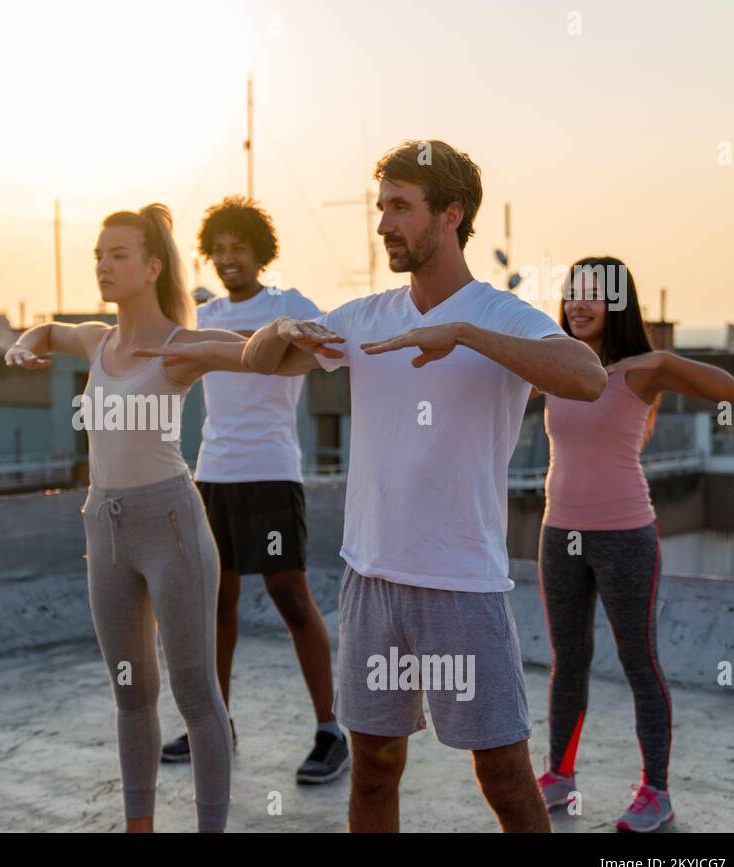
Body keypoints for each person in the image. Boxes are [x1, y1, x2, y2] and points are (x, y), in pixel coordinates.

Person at [238, 140, 608, 832]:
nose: (383, 226)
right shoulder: (364, 317)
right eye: (381, 209)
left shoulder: (499, 314)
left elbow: (586, 377)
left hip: (461, 586)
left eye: (400, 208)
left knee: (503, 775)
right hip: (370, 579)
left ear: (450, 215)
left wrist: (463, 334)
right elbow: (263, 363)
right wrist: (278, 328)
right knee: (374, 766)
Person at [5, 203, 250, 832]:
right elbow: (55, 332)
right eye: (99, 254)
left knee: (196, 695)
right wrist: (28, 339)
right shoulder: (99, 340)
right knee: (131, 695)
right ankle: (138, 824)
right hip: (105, 529)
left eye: (118, 255)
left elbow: (249, 352)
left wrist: (289, 336)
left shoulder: (177, 347)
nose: (104, 265)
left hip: (171, 527)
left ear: (151, 266)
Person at [535, 256, 734, 832]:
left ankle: (657, 791)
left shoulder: (642, 372)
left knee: (638, 661)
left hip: (626, 532)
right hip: (561, 532)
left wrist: (664, 360)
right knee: (568, 660)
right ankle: (560, 774)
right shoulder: (558, 366)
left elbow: (733, 389)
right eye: (572, 292)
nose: (579, 303)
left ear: (618, 304)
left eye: (594, 295)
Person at [157, 195, 348, 784]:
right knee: (217, 601)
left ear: (260, 253)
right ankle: (214, 722)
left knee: (290, 596)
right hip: (213, 473)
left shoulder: (288, 304)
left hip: (270, 473)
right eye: (218, 249)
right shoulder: (204, 315)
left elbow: (335, 350)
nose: (227, 258)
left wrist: (293, 334)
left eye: (238, 247)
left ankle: (330, 730)